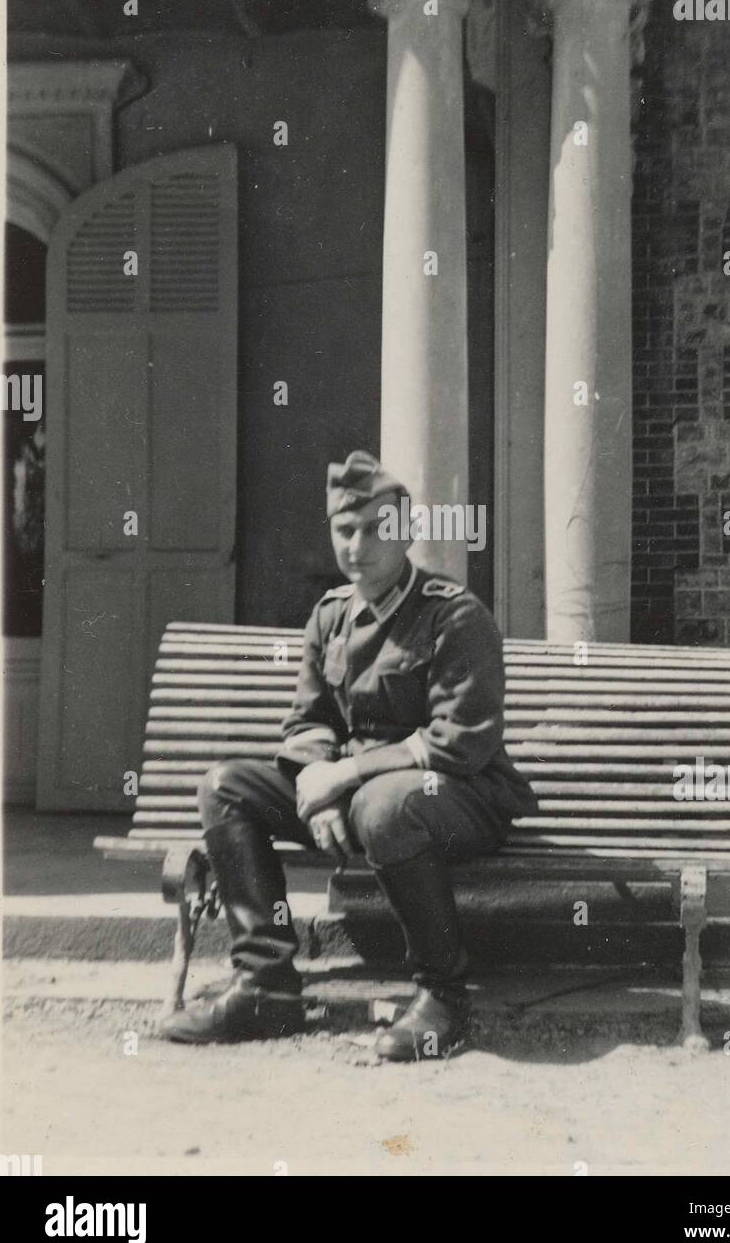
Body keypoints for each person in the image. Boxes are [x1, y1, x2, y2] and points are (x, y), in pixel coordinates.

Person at [159, 450, 538, 1058]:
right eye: (345, 529)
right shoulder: (331, 617)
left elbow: (460, 741)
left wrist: (348, 775)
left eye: (376, 528)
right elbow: (308, 722)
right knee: (226, 785)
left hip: (457, 801)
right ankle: (266, 987)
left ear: (408, 532)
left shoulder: (454, 615)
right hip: (357, 801)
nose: (358, 544)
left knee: (384, 807)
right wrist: (318, 792)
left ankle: (442, 995)